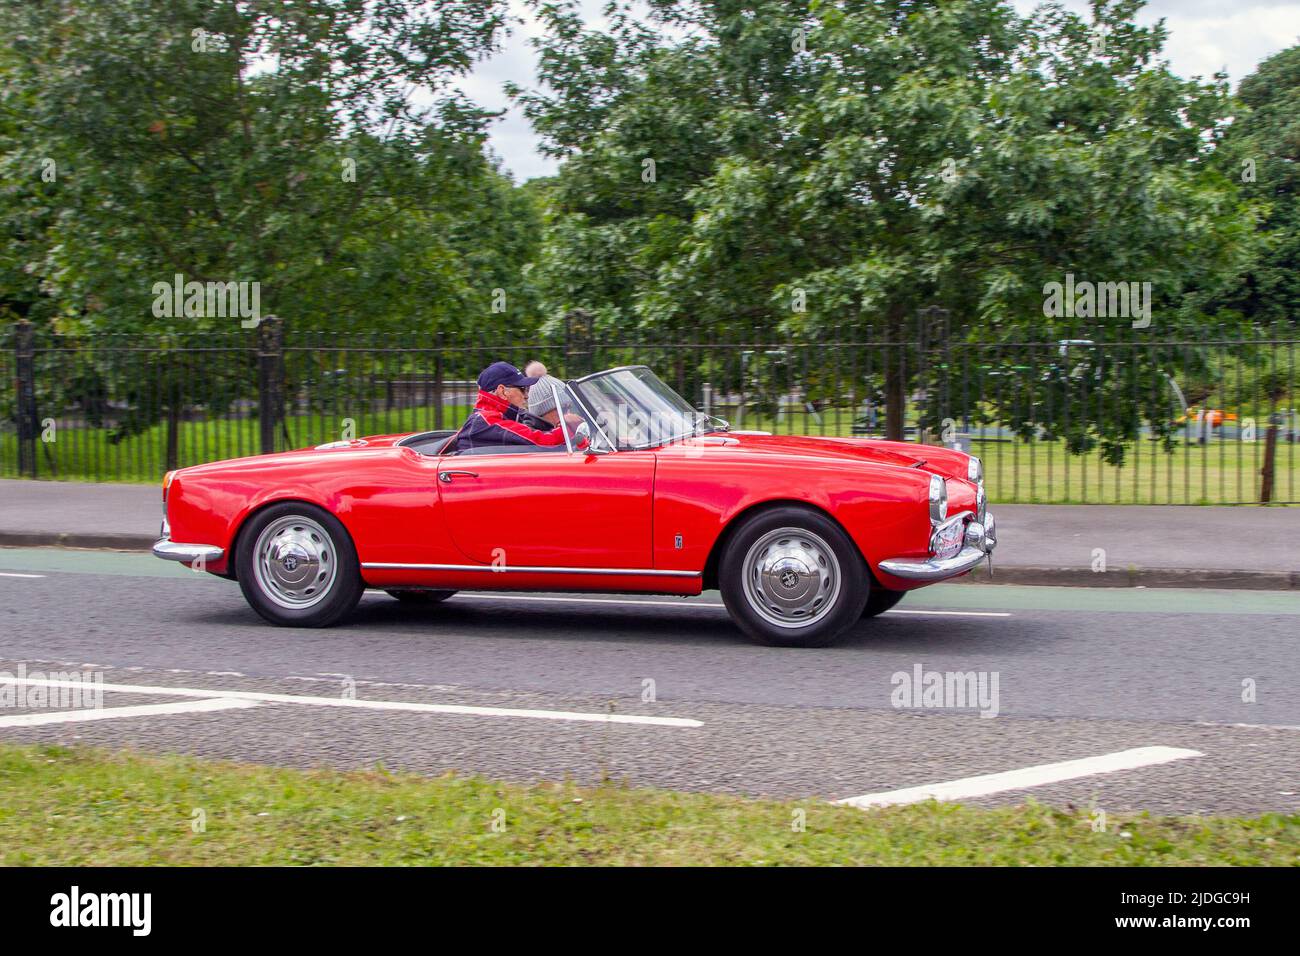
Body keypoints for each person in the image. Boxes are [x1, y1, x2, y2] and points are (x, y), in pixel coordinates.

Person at [455, 361, 585, 452]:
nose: (526, 396)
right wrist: (570, 426)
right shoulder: (489, 421)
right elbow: (543, 442)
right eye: (522, 389)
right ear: (502, 391)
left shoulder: (492, 418)